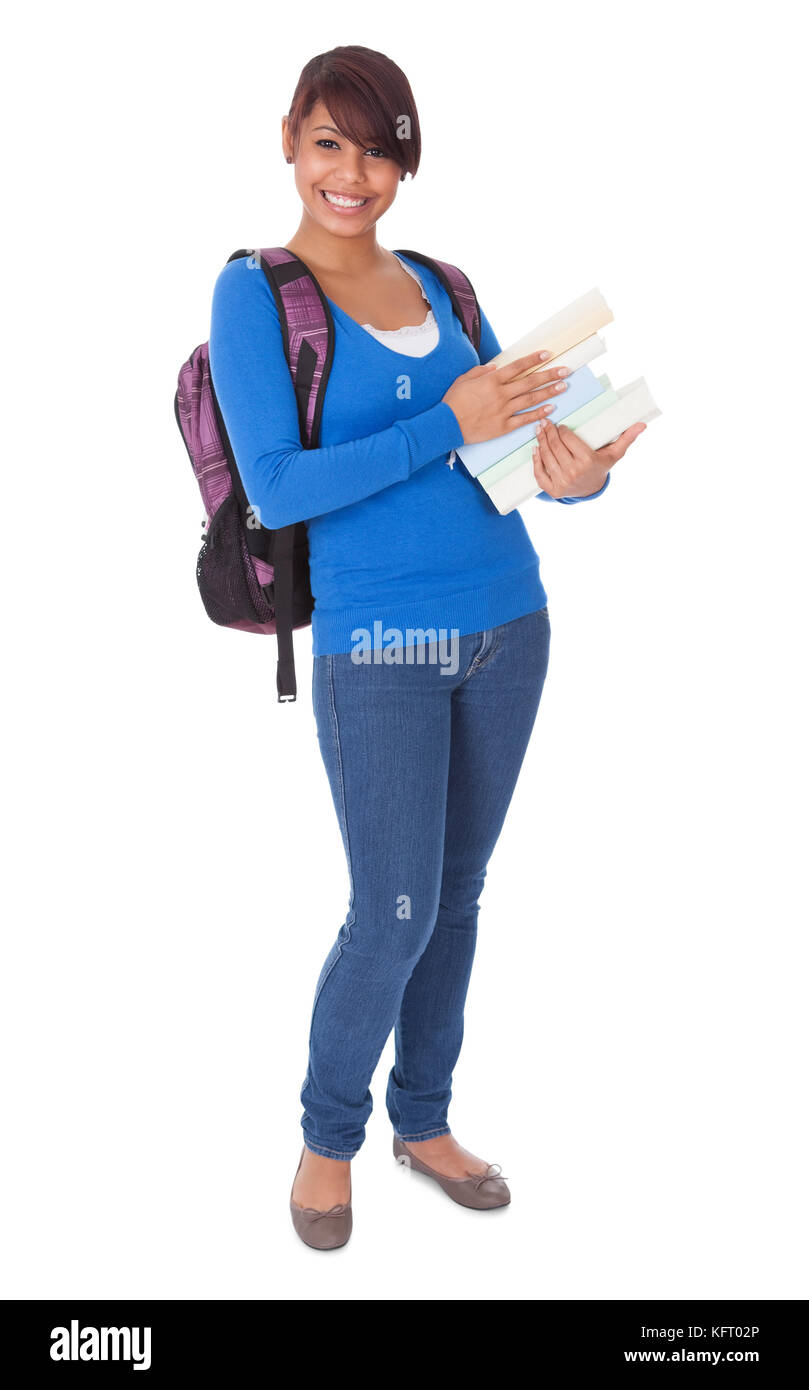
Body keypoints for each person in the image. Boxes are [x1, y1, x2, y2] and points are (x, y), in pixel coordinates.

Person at [209, 44, 645, 1250]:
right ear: (290, 138)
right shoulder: (257, 292)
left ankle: (425, 1118)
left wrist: (579, 476)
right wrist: (442, 424)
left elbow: (512, 447)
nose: (354, 173)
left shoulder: (446, 287)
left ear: (405, 159)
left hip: (509, 622)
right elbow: (281, 484)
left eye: (380, 148)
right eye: (330, 142)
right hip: (379, 640)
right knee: (389, 908)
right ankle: (325, 1137)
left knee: (454, 896)